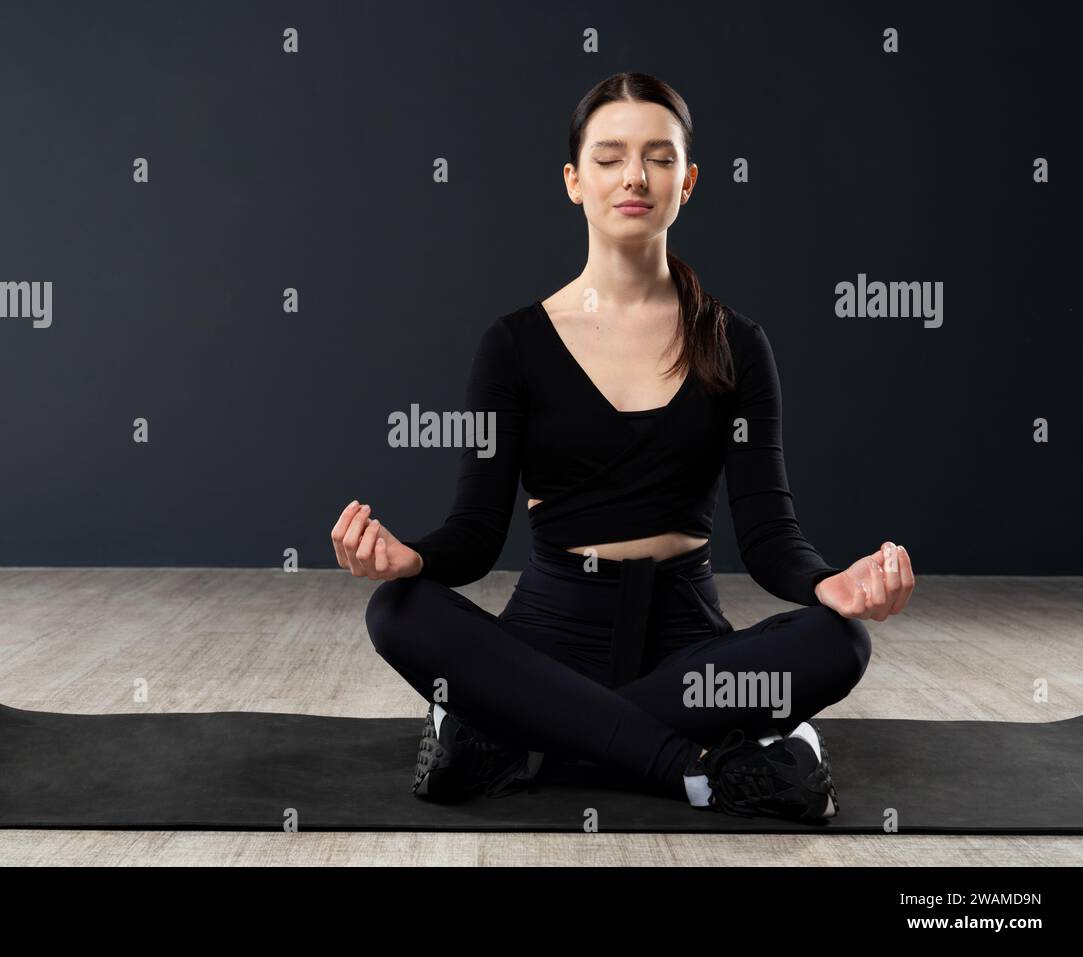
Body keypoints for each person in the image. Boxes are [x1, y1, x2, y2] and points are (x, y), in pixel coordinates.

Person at [334, 72, 915, 823]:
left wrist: (830, 583)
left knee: (843, 643)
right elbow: (475, 534)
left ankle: (526, 735)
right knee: (398, 611)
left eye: (658, 157)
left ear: (689, 180)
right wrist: (411, 558)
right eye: (609, 158)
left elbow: (770, 535)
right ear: (574, 181)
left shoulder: (737, 342)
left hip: (687, 654)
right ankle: (697, 766)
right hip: (545, 641)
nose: (634, 176)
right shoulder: (513, 344)